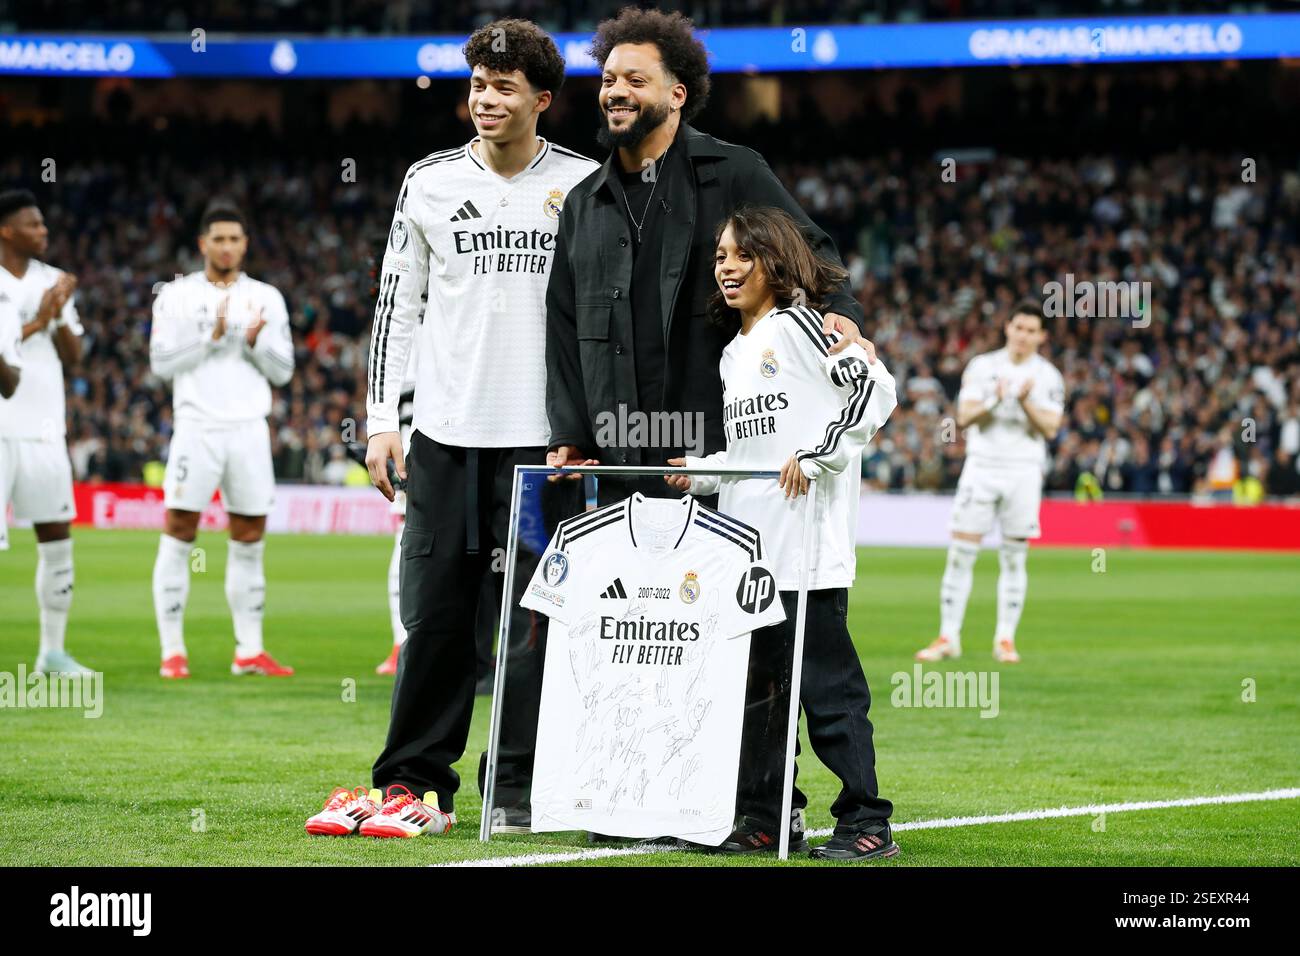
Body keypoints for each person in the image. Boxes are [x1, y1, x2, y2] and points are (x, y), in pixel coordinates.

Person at [335, 19, 598, 840]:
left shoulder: (586, 184)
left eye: (504, 87)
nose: (486, 99)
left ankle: (515, 786)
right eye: (479, 85)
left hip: (545, 444)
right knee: (436, 616)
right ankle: (415, 781)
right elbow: (396, 308)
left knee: (534, 619)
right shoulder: (429, 181)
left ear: (542, 100)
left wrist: (590, 423)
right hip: (446, 435)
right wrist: (383, 421)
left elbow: (601, 314)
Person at [545, 7, 873, 505]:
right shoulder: (582, 203)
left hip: (716, 458)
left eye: (636, 80)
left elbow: (812, 252)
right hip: (619, 458)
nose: (615, 91)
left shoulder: (734, 171)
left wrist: (841, 312)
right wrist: (568, 432)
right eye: (608, 79)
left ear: (677, 95)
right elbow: (564, 325)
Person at [666, 205, 899, 860]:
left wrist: (819, 453)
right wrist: (703, 474)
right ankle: (769, 819)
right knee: (758, 701)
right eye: (720, 256)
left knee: (829, 694)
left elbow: (875, 389)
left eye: (742, 254)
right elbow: (755, 453)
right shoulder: (735, 353)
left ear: (775, 260)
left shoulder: (802, 326)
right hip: (751, 557)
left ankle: (867, 822)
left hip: (806, 553)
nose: (728, 267)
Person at [149, 203, 296, 679]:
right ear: (203, 244)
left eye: (235, 238)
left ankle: (249, 651)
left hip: (250, 428)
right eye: (219, 239)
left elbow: (284, 370)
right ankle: (173, 650)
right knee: (179, 529)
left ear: (245, 243)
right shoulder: (175, 295)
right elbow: (161, 364)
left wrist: (255, 342)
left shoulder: (267, 298)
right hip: (197, 427)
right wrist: (211, 337)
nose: (227, 246)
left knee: (250, 536)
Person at [915, 298, 1064, 665]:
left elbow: (1050, 427)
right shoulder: (983, 367)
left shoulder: (1048, 376)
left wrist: (1025, 402)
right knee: (961, 553)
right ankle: (949, 636)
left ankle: (1005, 639)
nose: (1024, 336)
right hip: (982, 467)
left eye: (1032, 331)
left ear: (1041, 336)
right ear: (1008, 328)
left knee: (1014, 556)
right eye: (1019, 328)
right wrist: (997, 400)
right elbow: (963, 416)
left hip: (1024, 470)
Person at [0, 189, 88, 674]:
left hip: (44, 427)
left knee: (56, 537)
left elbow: (75, 359)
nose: (44, 232)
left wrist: (55, 318)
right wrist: (38, 319)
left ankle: (52, 653)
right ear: (7, 230)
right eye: (34, 225)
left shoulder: (53, 280)